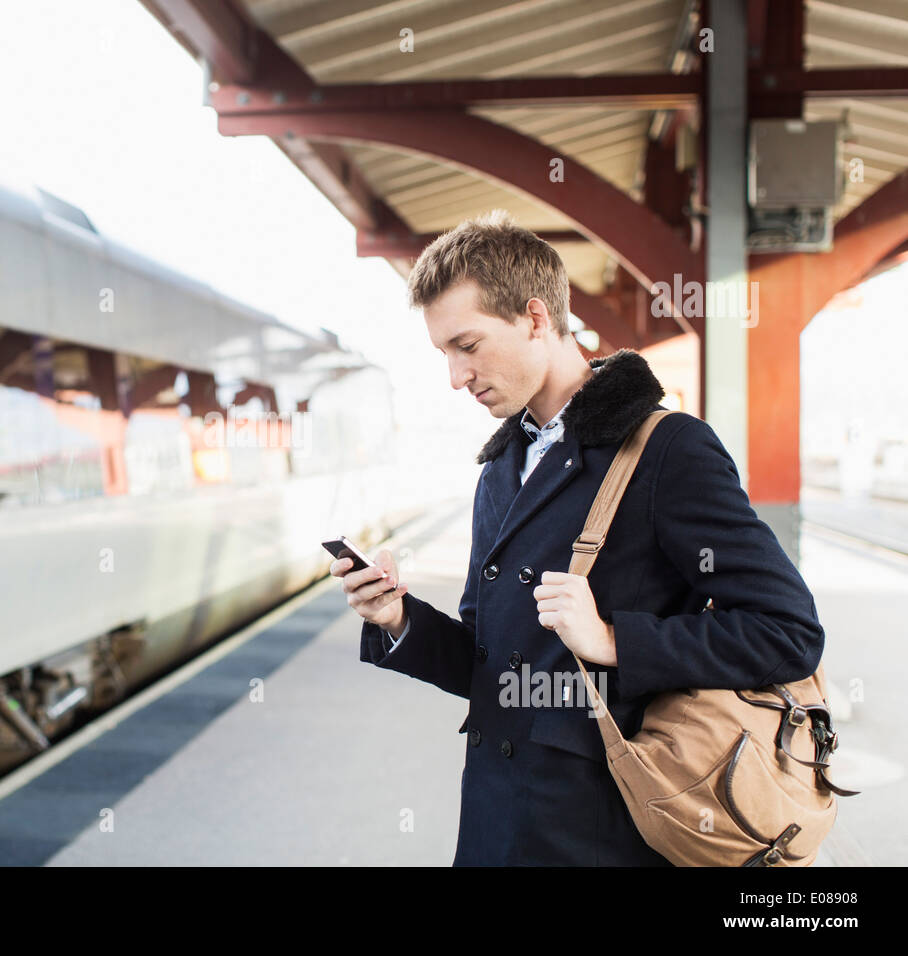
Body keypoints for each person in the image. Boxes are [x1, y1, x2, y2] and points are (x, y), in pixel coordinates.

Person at [331, 211, 825, 866]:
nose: (455, 376)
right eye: (443, 354)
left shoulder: (667, 451)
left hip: (604, 834)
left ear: (537, 318)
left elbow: (787, 633)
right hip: (497, 827)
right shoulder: (501, 468)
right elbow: (493, 670)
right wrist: (397, 619)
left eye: (468, 345)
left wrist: (616, 641)